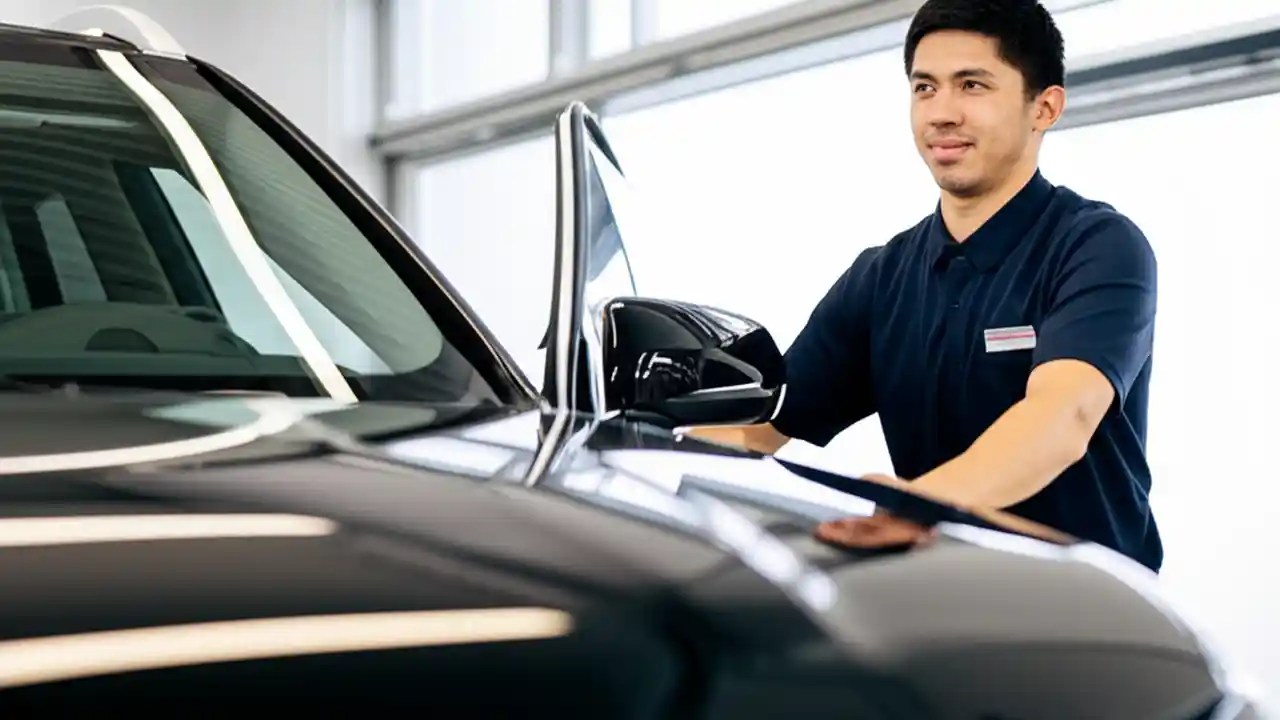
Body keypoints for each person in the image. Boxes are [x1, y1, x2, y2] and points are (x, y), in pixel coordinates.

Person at [691, 0, 1162, 572]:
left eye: (972, 85)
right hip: (942, 605)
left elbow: (1060, 420)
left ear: (1044, 107)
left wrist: (914, 504)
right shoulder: (882, 276)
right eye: (925, 88)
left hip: (1089, 614)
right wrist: (629, 456)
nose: (942, 113)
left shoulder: (1098, 247)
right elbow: (758, 428)